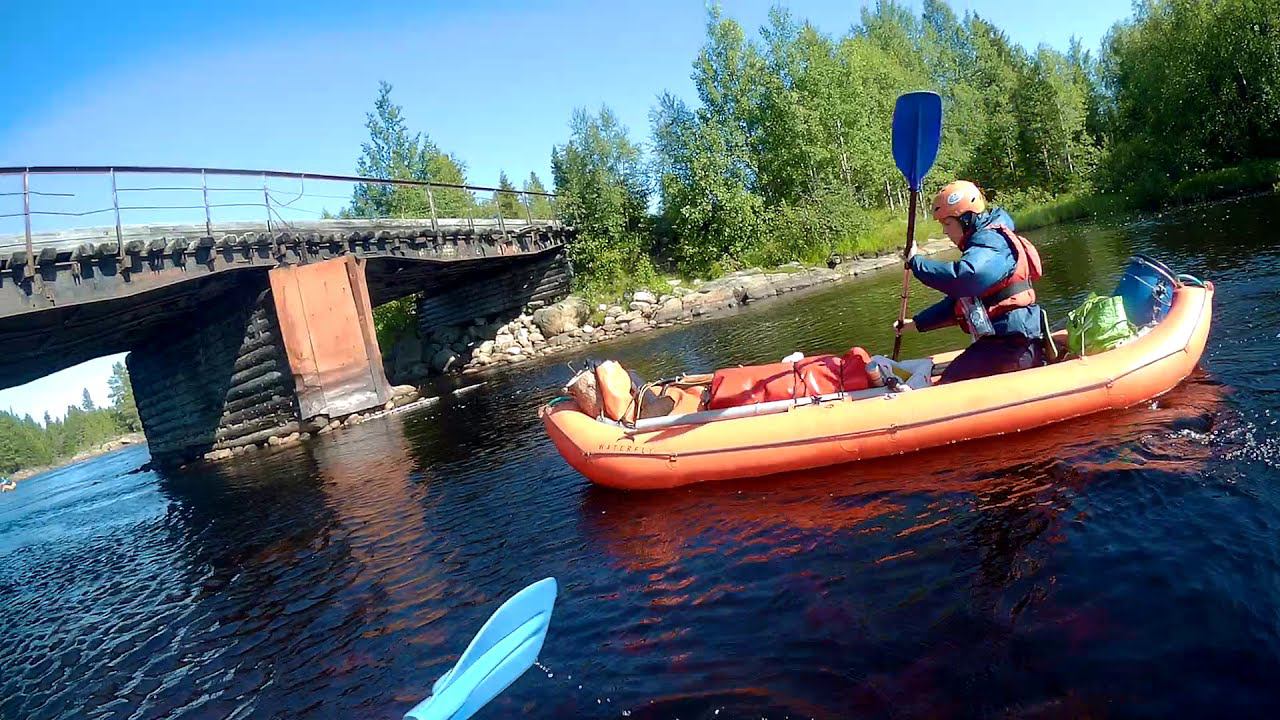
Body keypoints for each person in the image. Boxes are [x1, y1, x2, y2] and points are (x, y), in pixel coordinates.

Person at [895, 180, 1046, 384]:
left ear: (966, 219)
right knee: (951, 378)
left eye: (947, 224)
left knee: (948, 386)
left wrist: (916, 264)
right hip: (1002, 344)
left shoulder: (993, 243)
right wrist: (917, 323)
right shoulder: (984, 243)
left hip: (1013, 347)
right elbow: (962, 302)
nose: (945, 232)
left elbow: (966, 278)